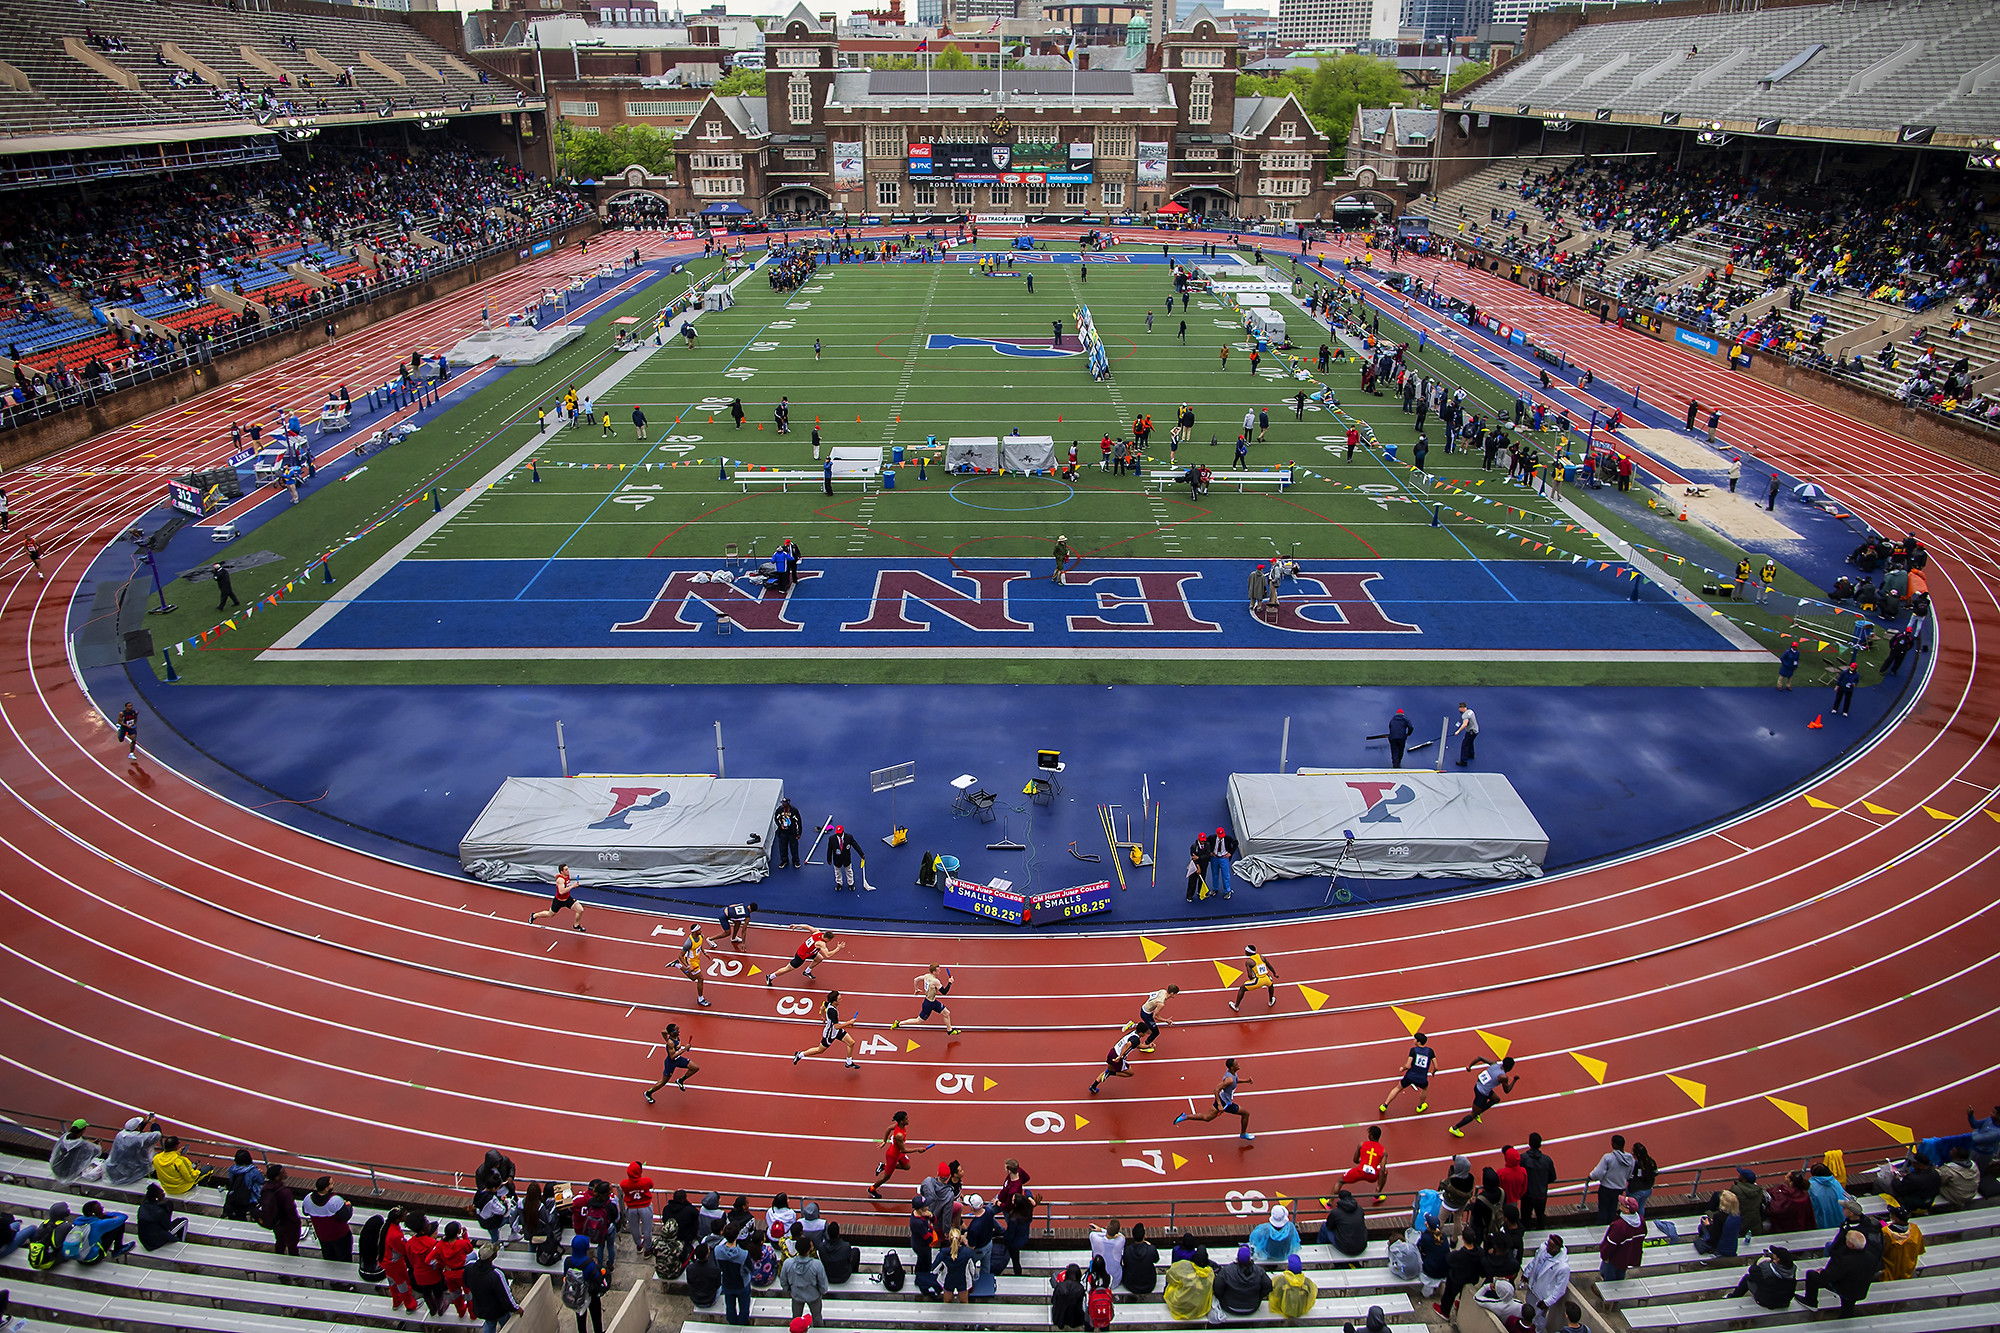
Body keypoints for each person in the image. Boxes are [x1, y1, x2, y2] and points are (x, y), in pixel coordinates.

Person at [1798, 1218, 1883, 1316]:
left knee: (1812, 1275)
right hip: (1860, 1290)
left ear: (1850, 1245)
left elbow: (1831, 1276)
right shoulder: (1871, 1257)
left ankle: (1811, 1302)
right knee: (1848, 1308)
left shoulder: (1846, 1260)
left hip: (1844, 1289)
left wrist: (1821, 1272)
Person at [1174, 1056, 1253, 1140]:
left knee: (1207, 1118)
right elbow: (1216, 1090)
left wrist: (1246, 1081)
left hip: (1225, 1100)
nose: (1239, 1065)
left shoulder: (1233, 1073)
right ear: (1232, 1067)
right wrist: (1219, 1105)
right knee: (1246, 1114)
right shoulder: (1229, 1080)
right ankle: (1243, 1134)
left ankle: (1185, 1116)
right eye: (1237, 1064)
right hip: (1224, 1103)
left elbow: (1235, 1080)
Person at [1450, 1055, 1518, 1137]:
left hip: (1479, 1086)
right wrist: (1514, 1080)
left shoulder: (1494, 1064)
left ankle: (1479, 1112)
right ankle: (1455, 1128)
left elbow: (1480, 1058)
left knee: (1496, 1099)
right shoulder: (1503, 1077)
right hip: (1482, 1093)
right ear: (1510, 1068)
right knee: (1473, 1114)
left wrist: (1469, 1066)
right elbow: (1507, 1091)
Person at [792, 990, 860, 1069]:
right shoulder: (832, 1012)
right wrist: (849, 1022)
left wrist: (823, 1017)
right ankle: (800, 1055)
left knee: (851, 1043)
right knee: (819, 1050)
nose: (841, 1000)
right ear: (834, 1001)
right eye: (839, 999)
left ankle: (849, 1062)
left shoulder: (829, 1004)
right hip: (830, 1034)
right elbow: (837, 1026)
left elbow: (822, 1007)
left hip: (836, 1031)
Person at [1518, 1234, 1570, 1331]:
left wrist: (1547, 1302)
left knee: (1538, 1319)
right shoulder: (1543, 1249)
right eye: (1548, 1245)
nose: (1547, 1248)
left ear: (1558, 1249)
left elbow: (1560, 1289)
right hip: (1532, 1288)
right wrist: (1526, 1274)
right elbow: (1534, 1262)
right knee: (1528, 1311)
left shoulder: (1563, 1267)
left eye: (1551, 1247)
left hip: (1542, 1298)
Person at [1380, 1030, 1437, 1115]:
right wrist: (1433, 1072)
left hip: (1410, 1076)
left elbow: (1407, 1065)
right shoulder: (1430, 1051)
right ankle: (1420, 1106)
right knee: (1424, 1089)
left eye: (1415, 1039)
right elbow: (1436, 1066)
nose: (1413, 1041)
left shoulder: (1413, 1050)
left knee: (1398, 1088)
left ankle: (1385, 1105)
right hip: (1422, 1078)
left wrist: (1403, 1068)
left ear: (1419, 1042)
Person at [468, 1240, 521, 1332]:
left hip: (483, 1310)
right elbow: (506, 1296)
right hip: (499, 1311)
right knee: (507, 1327)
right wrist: (516, 1308)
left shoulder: (469, 1269)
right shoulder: (496, 1274)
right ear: (491, 1258)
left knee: (489, 1324)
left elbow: (466, 1283)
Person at [894, 962, 960, 1035]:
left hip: (933, 1002)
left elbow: (916, 979)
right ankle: (899, 1023)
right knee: (918, 1020)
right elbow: (944, 992)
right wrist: (950, 983)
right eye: (938, 970)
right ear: (934, 972)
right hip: (928, 1004)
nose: (940, 971)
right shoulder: (935, 981)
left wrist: (916, 989)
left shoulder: (927, 976)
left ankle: (949, 1030)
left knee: (946, 1013)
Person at [563, 1232, 608, 1333]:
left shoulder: (568, 1261)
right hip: (591, 1295)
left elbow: (566, 1275)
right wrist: (597, 1266)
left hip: (576, 1295)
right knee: (596, 1317)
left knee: (580, 1318)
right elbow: (597, 1277)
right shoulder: (589, 1264)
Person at [767, 926, 843, 986]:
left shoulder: (817, 932)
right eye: (829, 940)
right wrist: (838, 948)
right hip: (801, 956)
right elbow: (828, 955)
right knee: (787, 969)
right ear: (826, 938)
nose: (829, 942)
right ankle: (770, 977)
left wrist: (796, 926)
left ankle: (807, 971)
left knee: (819, 958)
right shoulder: (821, 943)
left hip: (810, 953)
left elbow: (807, 926)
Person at [303, 1176, 355, 1261]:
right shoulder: (335, 1200)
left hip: (322, 1235)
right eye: (331, 1184)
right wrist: (348, 1206)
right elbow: (346, 1216)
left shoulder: (308, 1199)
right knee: (344, 1257)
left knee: (328, 1257)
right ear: (326, 1188)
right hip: (340, 1235)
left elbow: (305, 1212)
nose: (333, 1184)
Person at [780, 1236, 830, 1325]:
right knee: (817, 1317)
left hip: (796, 1295)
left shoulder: (788, 1263)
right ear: (809, 1250)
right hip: (814, 1296)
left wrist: (787, 1290)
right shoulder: (817, 1265)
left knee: (796, 1317)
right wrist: (822, 1292)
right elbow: (823, 1284)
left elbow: (783, 1280)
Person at [1731, 1245, 1798, 1309]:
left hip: (1767, 1302)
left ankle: (1733, 1297)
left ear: (1777, 1259)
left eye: (1774, 1255)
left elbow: (1752, 1272)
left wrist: (1759, 1262)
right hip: (1784, 1302)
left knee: (1747, 1278)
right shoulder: (1792, 1270)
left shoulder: (1766, 1269)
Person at [1587, 1135, 1635, 1223]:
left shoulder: (1608, 1157)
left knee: (1603, 1209)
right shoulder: (1630, 1158)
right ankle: (1611, 1225)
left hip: (1606, 1188)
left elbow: (1599, 1172)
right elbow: (1630, 1173)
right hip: (1619, 1188)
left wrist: (1591, 1176)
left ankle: (1602, 1227)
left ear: (1614, 1144)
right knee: (1613, 1208)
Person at [105, 1113, 162, 1186]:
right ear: (138, 1127)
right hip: (133, 1171)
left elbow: (133, 1133)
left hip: (116, 1169)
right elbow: (157, 1134)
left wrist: (144, 1123)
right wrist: (153, 1123)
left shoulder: (120, 1135)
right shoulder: (140, 1139)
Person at [1215, 1244, 1273, 1315]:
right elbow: (1268, 1286)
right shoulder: (1259, 1271)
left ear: (1237, 1258)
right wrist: (1259, 1296)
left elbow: (1217, 1288)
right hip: (1252, 1307)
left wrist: (1224, 1296)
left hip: (1230, 1306)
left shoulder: (1227, 1271)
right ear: (1249, 1258)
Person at [1120, 983, 1178, 1051]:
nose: (1176, 995)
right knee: (1155, 1032)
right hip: (1146, 1014)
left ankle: (1133, 1025)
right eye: (1175, 994)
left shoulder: (1163, 991)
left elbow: (1152, 996)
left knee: (1150, 1029)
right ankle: (1145, 1046)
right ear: (1172, 993)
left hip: (1144, 1008)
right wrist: (1166, 1020)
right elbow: (1155, 1016)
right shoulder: (1161, 1003)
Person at [261, 1163, 303, 1256]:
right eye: (283, 1172)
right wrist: (296, 1221)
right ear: (277, 1177)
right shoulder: (285, 1192)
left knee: (279, 1240)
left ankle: (279, 1254)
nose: (285, 1173)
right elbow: (290, 1209)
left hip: (275, 1221)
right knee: (292, 1244)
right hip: (288, 1223)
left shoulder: (265, 1189)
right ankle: (294, 1257)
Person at [529, 864, 585, 931]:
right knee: (550, 914)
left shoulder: (566, 876)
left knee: (580, 909)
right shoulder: (560, 880)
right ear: (562, 872)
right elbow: (561, 892)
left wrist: (573, 885)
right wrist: (572, 886)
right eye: (566, 870)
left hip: (567, 899)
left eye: (567, 869)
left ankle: (576, 925)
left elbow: (559, 879)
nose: (568, 871)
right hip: (559, 901)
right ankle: (534, 916)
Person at [1342, 1126, 1390, 1202]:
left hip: (1359, 1172)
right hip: (1372, 1176)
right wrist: (1379, 1186)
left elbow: (1355, 1160)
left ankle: (1328, 1203)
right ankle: (1377, 1194)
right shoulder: (1383, 1151)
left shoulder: (1362, 1144)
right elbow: (1382, 1169)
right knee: (1385, 1172)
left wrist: (1363, 1161)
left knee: (1340, 1181)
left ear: (1371, 1136)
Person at [618, 1162, 656, 1256]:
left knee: (634, 1228)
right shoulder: (646, 1181)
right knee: (647, 1229)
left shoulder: (624, 1184)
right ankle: (648, 1249)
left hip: (631, 1208)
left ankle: (639, 1245)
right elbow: (651, 1185)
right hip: (645, 1206)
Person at [1521, 1133, 1559, 1226]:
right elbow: (1552, 1177)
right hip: (1541, 1195)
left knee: (1525, 1219)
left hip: (1527, 1195)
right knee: (1540, 1217)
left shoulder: (1523, 1159)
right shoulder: (1547, 1160)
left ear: (1529, 1143)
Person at [1088, 1030, 1142, 1095]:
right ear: (1142, 1033)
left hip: (1112, 1052)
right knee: (1130, 1073)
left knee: (1107, 1070)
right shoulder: (1135, 1040)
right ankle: (1111, 1073)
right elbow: (1128, 1044)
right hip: (1117, 1057)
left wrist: (1148, 1046)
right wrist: (1120, 1056)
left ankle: (1093, 1086)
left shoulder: (1132, 1033)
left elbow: (1137, 1045)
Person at [137, 1183, 188, 1250]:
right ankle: (180, 1244)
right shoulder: (160, 1210)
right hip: (156, 1241)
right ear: (157, 1197)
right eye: (162, 1192)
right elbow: (168, 1227)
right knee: (184, 1221)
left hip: (144, 1240)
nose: (164, 1194)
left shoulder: (142, 1206)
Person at [1269, 1253, 1317, 1322]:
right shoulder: (1308, 1282)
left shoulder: (1280, 1280)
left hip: (1284, 1309)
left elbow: (1274, 1294)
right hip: (1300, 1310)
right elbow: (1311, 1297)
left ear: (1288, 1268)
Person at [49, 1118, 99, 1184]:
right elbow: (96, 1151)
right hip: (67, 1173)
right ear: (83, 1130)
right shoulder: (82, 1145)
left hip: (55, 1168)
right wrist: (96, 1144)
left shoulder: (64, 1137)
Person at [1320, 1190, 1369, 1257]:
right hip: (1361, 1246)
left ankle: (1319, 1245)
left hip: (1346, 1248)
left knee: (1324, 1227)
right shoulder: (1360, 1209)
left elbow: (1329, 1227)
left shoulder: (1336, 1212)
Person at [1229, 942, 1276, 1010]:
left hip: (1258, 981)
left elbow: (1249, 975)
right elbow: (1269, 965)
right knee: (1271, 985)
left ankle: (1236, 1006)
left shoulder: (1249, 962)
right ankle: (1271, 1001)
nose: (1244, 952)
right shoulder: (1262, 957)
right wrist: (1274, 973)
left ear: (1248, 952)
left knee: (1242, 988)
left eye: (1245, 951)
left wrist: (1252, 979)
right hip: (1266, 978)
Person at [1121, 1221, 1159, 1294]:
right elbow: (1156, 1259)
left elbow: (1125, 1262)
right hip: (1149, 1284)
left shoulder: (1127, 1249)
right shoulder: (1151, 1249)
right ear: (1144, 1236)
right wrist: (1150, 1246)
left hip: (1130, 1284)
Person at [1051, 1260, 1088, 1328]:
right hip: (1075, 1319)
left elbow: (1053, 1300)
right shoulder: (1080, 1288)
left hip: (1059, 1317)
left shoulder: (1060, 1286)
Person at [828, 824, 862, 890]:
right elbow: (829, 849)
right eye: (837, 833)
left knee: (849, 871)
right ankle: (839, 883)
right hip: (837, 859)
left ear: (843, 832)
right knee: (837, 872)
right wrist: (829, 859)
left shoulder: (849, 837)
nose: (839, 835)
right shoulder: (832, 839)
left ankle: (850, 883)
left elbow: (855, 846)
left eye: (840, 833)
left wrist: (861, 854)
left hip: (846, 859)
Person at [1454, 701, 1479, 767]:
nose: (1458, 709)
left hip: (1471, 732)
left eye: (1459, 708)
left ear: (1462, 708)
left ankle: (1463, 761)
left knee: (1465, 744)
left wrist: (1458, 731)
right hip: (1476, 730)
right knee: (1470, 742)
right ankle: (1471, 754)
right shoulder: (1470, 711)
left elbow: (1465, 724)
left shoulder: (1465, 715)